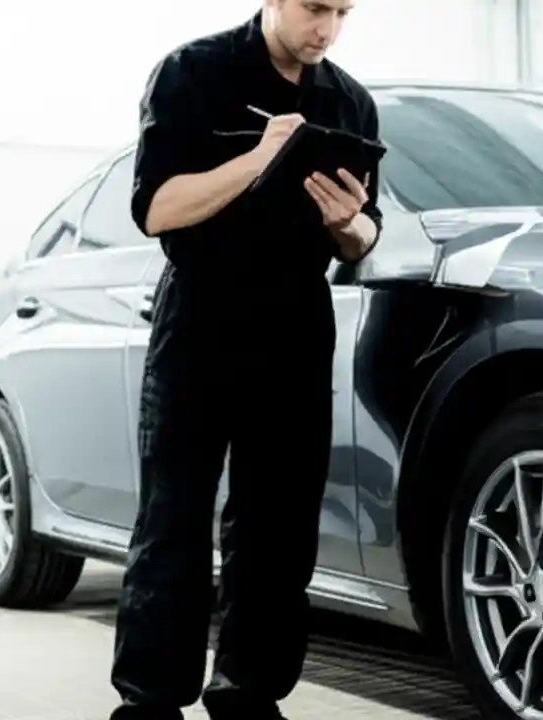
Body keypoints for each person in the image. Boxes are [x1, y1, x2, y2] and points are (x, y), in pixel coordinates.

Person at [108, 2, 381, 719]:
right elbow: (158, 208)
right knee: (174, 518)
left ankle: (250, 697)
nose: (327, 28)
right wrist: (260, 159)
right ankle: (150, 701)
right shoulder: (192, 73)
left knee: (280, 527)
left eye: (343, 11)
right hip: (202, 313)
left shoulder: (350, 102)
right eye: (314, 7)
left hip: (296, 319)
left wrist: (348, 225)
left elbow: (363, 235)